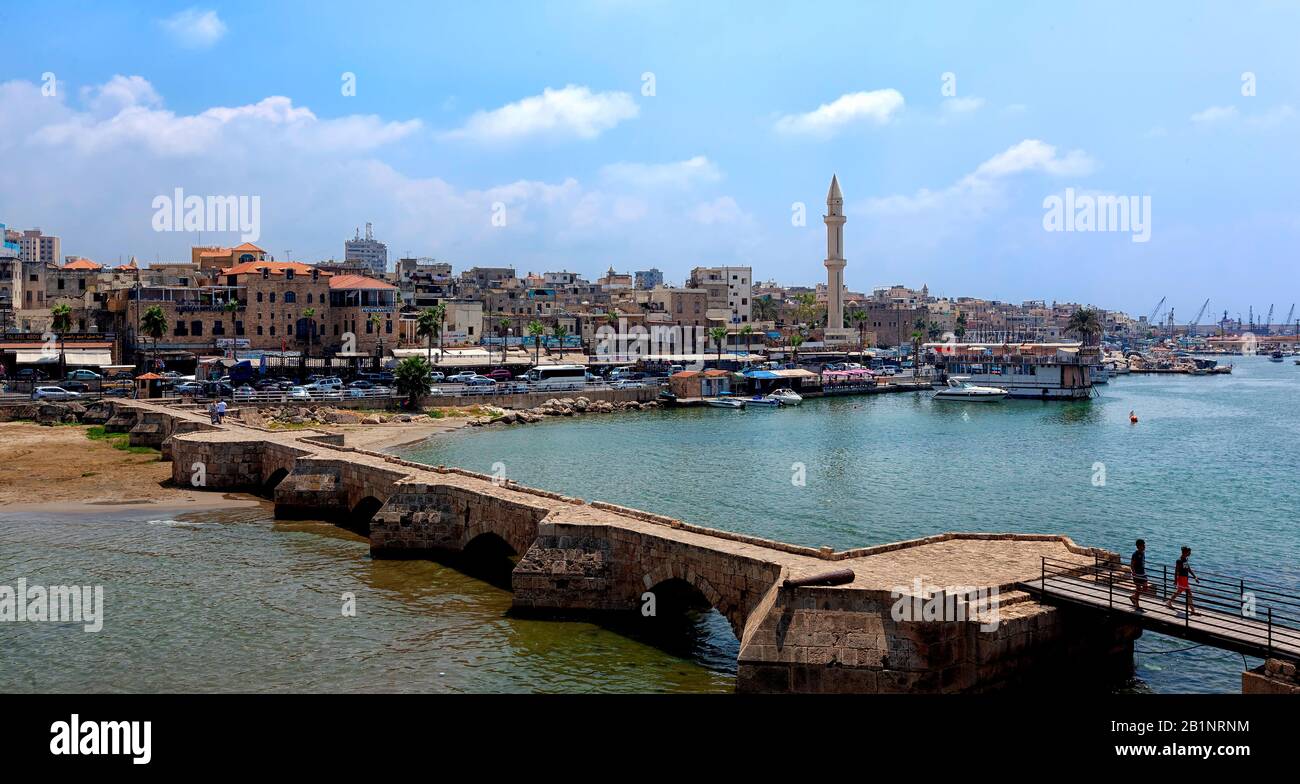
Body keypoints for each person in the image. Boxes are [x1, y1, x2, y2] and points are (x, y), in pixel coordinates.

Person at [1164, 546, 1200, 615]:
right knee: (1189, 594)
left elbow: (1188, 569)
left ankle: (1169, 602)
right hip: (1181, 579)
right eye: (1189, 552)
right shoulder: (1179, 560)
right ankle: (1192, 610)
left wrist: (1195, 577)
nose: (1190, 554)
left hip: (1185, 579)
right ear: (1185, 552)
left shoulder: (1185, 559)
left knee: (1179, 592)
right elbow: (1176, 571)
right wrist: (1175, 580)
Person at [1129, 539, 1150, 611]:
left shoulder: (1143, 553)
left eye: (1144, 545)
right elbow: (1131, 564)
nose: (1144, 546)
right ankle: (1137, 605)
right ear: (1139, 546)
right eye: (1143, 545)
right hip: (1137, 574)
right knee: (1138, 589)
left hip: (1143, 573)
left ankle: (1133, 597)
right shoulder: (1135, 554)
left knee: (1145, 588)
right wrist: (1133, 572)